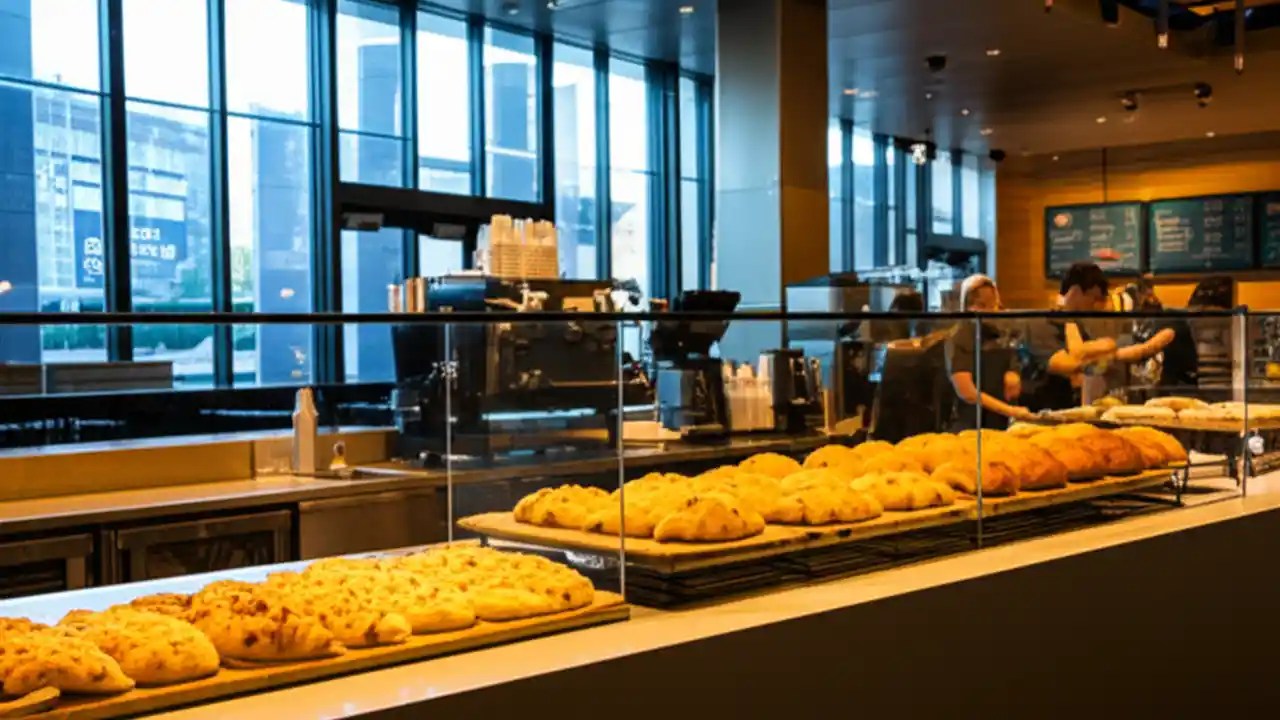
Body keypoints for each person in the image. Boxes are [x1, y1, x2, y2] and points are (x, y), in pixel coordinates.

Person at [1019, 262, 1173, 412]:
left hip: (1074, 415)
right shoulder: (1040, 325)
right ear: (1076, 291)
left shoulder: (1080, 326)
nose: (1095, 306)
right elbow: (1066, 364)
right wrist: (1104, 349)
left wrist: (1108, 353)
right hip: (1043, 417)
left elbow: (1094, 365)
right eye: (1094, 299)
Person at [945, 274, 1031, 429]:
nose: (992, 310)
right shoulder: (959, 337)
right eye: (982, 305)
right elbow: (967, 393)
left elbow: (1016, 360)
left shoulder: (1002, 333)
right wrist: (1010, 411)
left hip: (1001, 423)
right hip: (971, 426)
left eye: (994, 305)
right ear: (968, 306)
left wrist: (1014, 373)